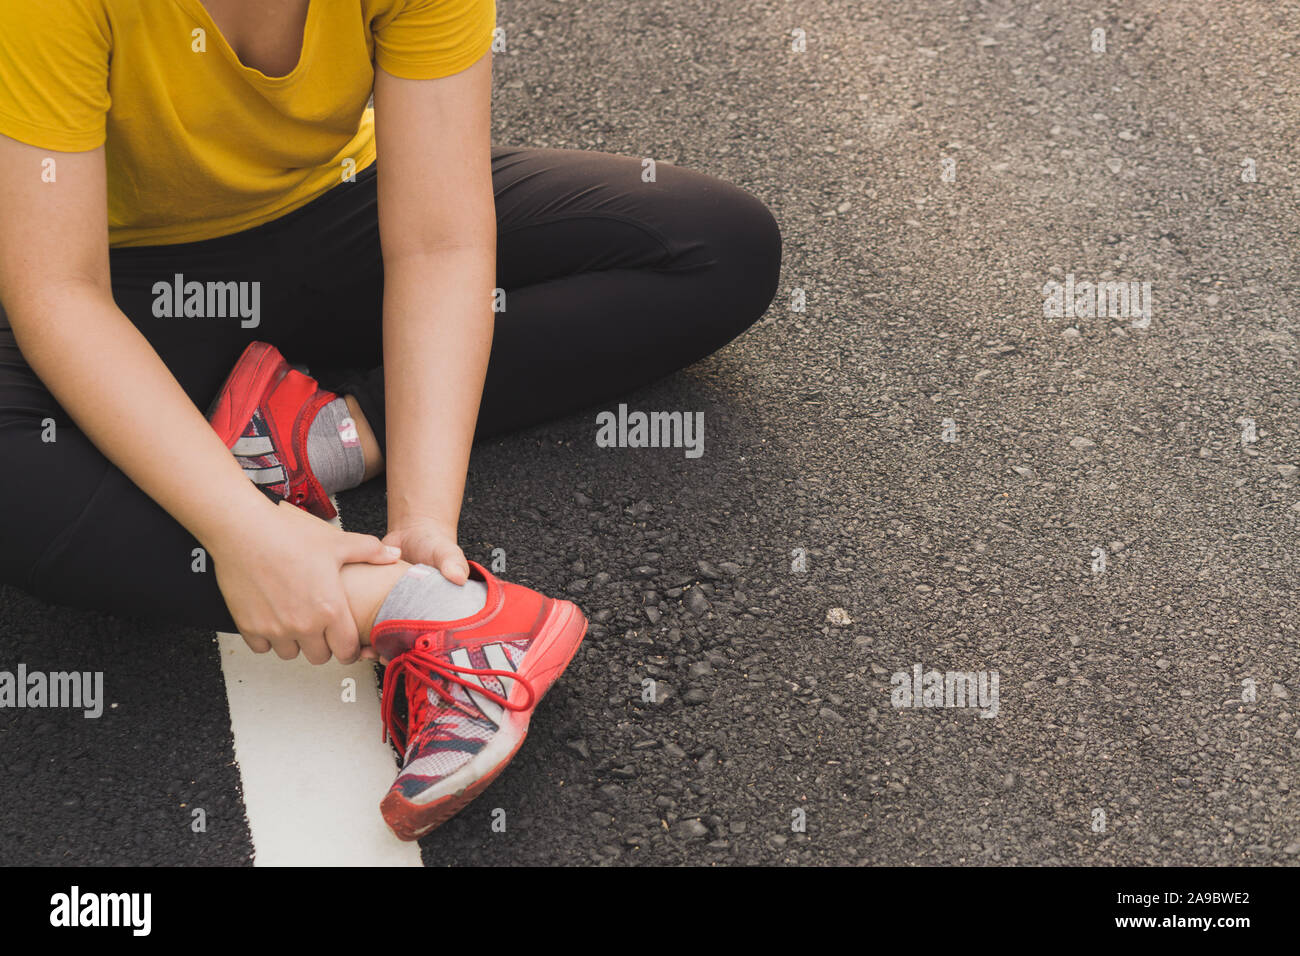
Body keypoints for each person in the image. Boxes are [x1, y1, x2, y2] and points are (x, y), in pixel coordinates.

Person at [0, 0, 782, 839]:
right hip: (131, 276)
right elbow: (60, 291)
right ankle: (443, 624)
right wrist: (244, 534)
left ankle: (320, 439)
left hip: (335, 219)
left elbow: (440, 242)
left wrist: (424, 524)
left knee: (715, 244)